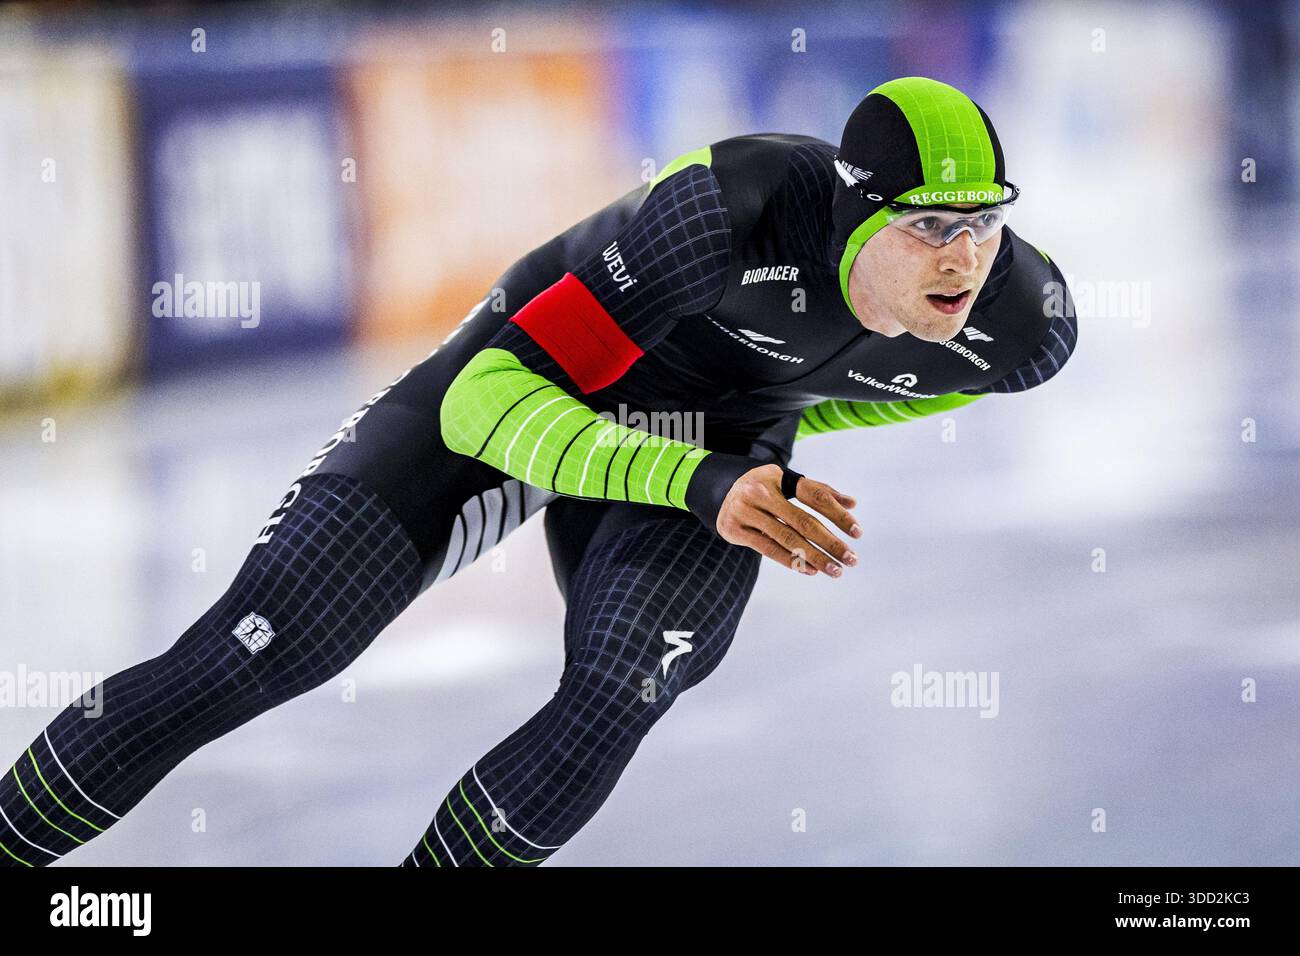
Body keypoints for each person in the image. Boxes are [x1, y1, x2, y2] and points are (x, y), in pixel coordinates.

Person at [0, 76, 1076, 867]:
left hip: (712, 430)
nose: (962, 259)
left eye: (985, 223)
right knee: (258, 648)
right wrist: (698, 480)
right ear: (853, 213)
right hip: (533, 378)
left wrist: (754, 431)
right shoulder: (723, 213)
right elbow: (481, 402)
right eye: (930, 226)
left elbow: (871, 386)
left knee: (615, 693)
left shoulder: (1023, 328)